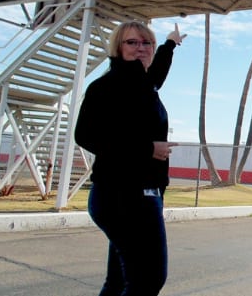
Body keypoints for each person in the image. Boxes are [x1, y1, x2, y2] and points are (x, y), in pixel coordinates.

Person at [75, 21, 186, 296]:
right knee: (148, 280)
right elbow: (86, 135)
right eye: (132, 42)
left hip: (145, 194)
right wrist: (147, 148)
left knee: (119, 282)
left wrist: (170, 43)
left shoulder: (145, 84)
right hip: (121, 196)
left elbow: (157, 71)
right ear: (118, 47)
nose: (141, 48)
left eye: (146, 42)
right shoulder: (107, 86)